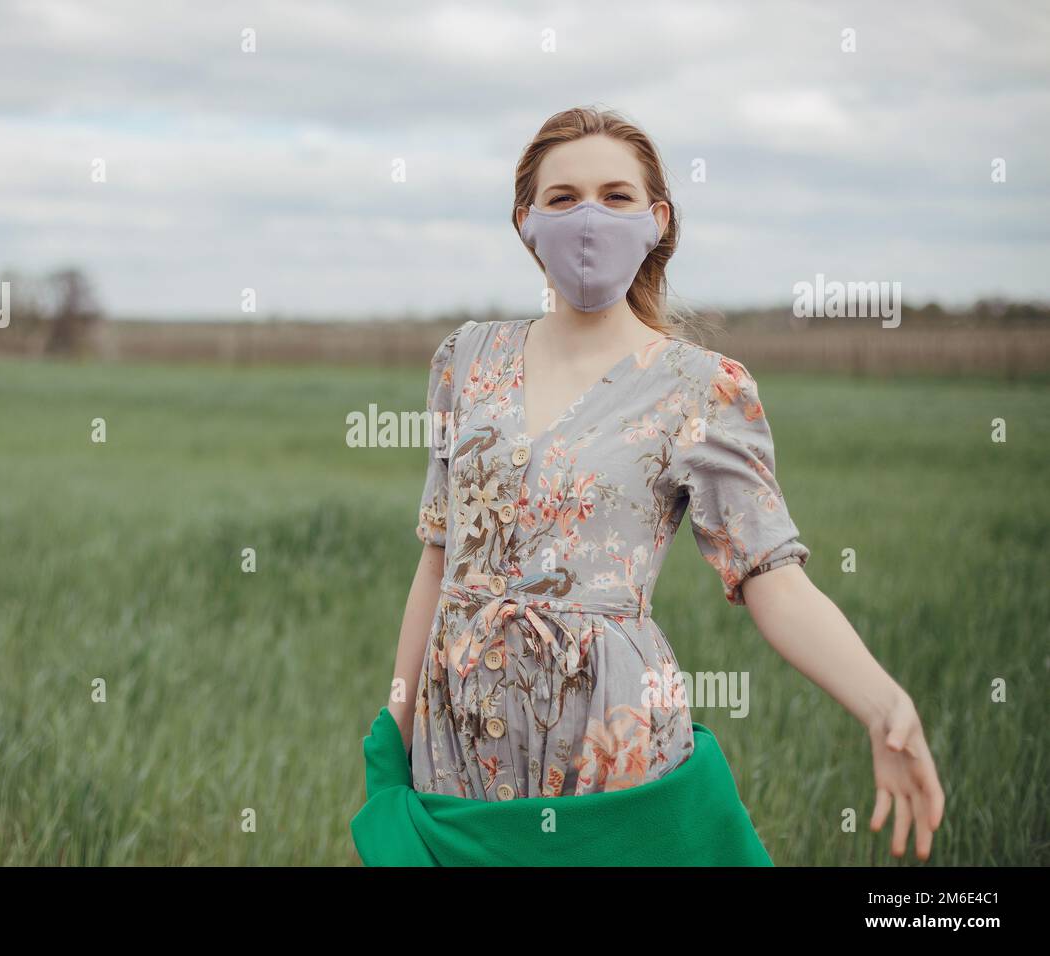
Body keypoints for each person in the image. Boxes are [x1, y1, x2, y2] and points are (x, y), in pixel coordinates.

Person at [366, 106, 944, 864]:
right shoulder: (466, 361)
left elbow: (771, 574)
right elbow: (439, 559)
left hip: (609, 736)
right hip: (460, 736)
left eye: (616, 196)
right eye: (563, 198)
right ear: (526, 221)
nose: (588, 219)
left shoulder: (700, 389)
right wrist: (396, 726)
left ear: (656, 219)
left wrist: (884, 704)